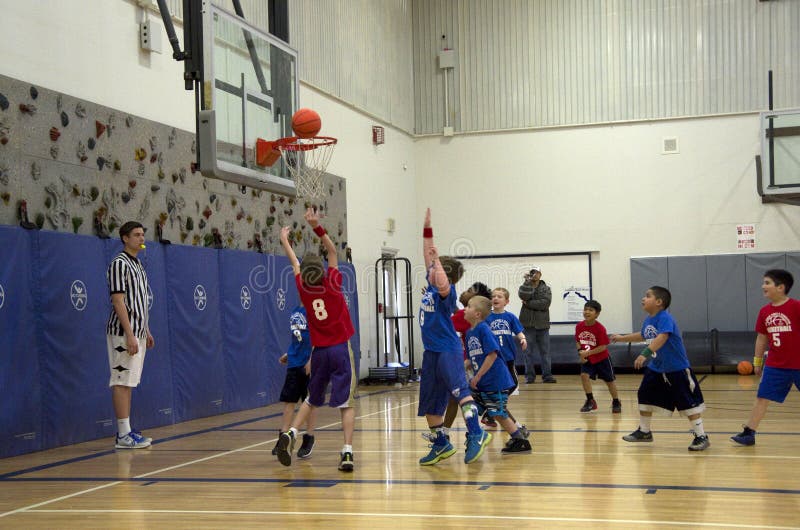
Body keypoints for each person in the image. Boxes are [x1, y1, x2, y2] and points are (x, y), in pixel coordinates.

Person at [275, 208, 356, 471]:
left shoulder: (303, 289)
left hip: (319, 352)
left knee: (311, 398)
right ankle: (347, 452)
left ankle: (291, 433)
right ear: (321, 270)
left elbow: (295, 264)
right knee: (346, 404)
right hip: (340, 349)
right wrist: (316, 226)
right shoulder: (332, 283)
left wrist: (285, 240)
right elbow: (332, 251)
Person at [417, 208, 491, 466]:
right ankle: (441, 444)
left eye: (434, 268)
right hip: (431, 352)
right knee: (429, 404)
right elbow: (427, 255)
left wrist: (437, 261)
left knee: (461, 393)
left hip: (448, 350)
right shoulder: (431, 286)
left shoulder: (446, 294)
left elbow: (440, 278)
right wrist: (427, 230)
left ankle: (477, 433)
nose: (429, 268)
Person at [611, 286, 710, 451]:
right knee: (644, 395)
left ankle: (701, 436)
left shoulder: (665, 318)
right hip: (657, 368)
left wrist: (645, 353)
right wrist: (622, 338)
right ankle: (644, 432)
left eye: (647, 296)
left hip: (676, 369)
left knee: (688, 403)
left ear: (658, 302)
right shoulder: (648, 320)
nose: (643, 298)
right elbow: (643, 335)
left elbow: (662, 336)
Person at [731, 269, 800, 446]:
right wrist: (757, 362)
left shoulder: (796, 307)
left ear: (781, 287)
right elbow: (762, 338)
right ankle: (749, 433)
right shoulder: (764, 312)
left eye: (767, 283)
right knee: (762, 397)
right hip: (775, 365)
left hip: (798, 364)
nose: (763, 286)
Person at [106, 221, 154, 449]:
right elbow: (118, 301)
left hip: (137, 332)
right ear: (125, 238)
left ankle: (127, 430)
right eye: (136, 235)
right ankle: (123, 435)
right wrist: (130, 334)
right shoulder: (119, 263)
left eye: (142, 234)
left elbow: (140, 303)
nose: (141, 238)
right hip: (122, 333)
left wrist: (145, 330)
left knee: (129, 381)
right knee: (121, 380)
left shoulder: (138, 264)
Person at [465, 296, 532, 454]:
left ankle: (520, 440)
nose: (465, 309)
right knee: (471, 406)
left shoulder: (484, 329)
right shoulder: (469, 333)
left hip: (495, 380)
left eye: (468, 306)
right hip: (482, 383)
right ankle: (475, 435)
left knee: (498, 413)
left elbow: (492, 354)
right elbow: (470, 359)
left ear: (477, 314)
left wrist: (478, 376)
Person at [271, 303, 317, 459]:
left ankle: (309, 438)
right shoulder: (295, 311)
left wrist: (312, 359)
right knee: (289, 401)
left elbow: (318, 338)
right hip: (294, 362)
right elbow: (298, 338)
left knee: (309, 402)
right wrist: (288, 353)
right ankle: (283, 438)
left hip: (308, 363)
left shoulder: (314, 310)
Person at [485, 287, 529, 435]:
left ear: (506, 301)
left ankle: (492, 410)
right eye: (493, 296)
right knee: (498, 388)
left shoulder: (510, 317)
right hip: (494, 359)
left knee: (513, 384)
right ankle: (493, 411)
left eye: (499, 296)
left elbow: (518, 331)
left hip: (508, 357)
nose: (495, 298)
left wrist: (523, 339)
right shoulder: (487, 317)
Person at [575, 300, 621, 414]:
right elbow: (578, 341)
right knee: (584, 376)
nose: (587, 312)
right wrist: (580, 353)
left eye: (590, 310)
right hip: (588, 359)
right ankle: (590, 401)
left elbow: (603, 347)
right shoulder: (579, 326)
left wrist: (587, 353)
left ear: (597, 314)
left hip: (602, 359)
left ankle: (616, 401)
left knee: (609, 381)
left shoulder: (600, 328)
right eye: (585, 309)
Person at [518, 266, 555, 383]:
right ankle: (529, 377)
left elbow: (545, 304)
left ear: (540, 274)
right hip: (527, 326)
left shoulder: (546, 288)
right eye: (532, 272)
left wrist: (528, 303)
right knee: (527, 353)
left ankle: (547, 376)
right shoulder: (524, 286)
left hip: (543, 326)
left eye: (537, 272)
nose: (535, 274)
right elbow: (523, 296)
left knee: (545, 353)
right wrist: (527, 282)